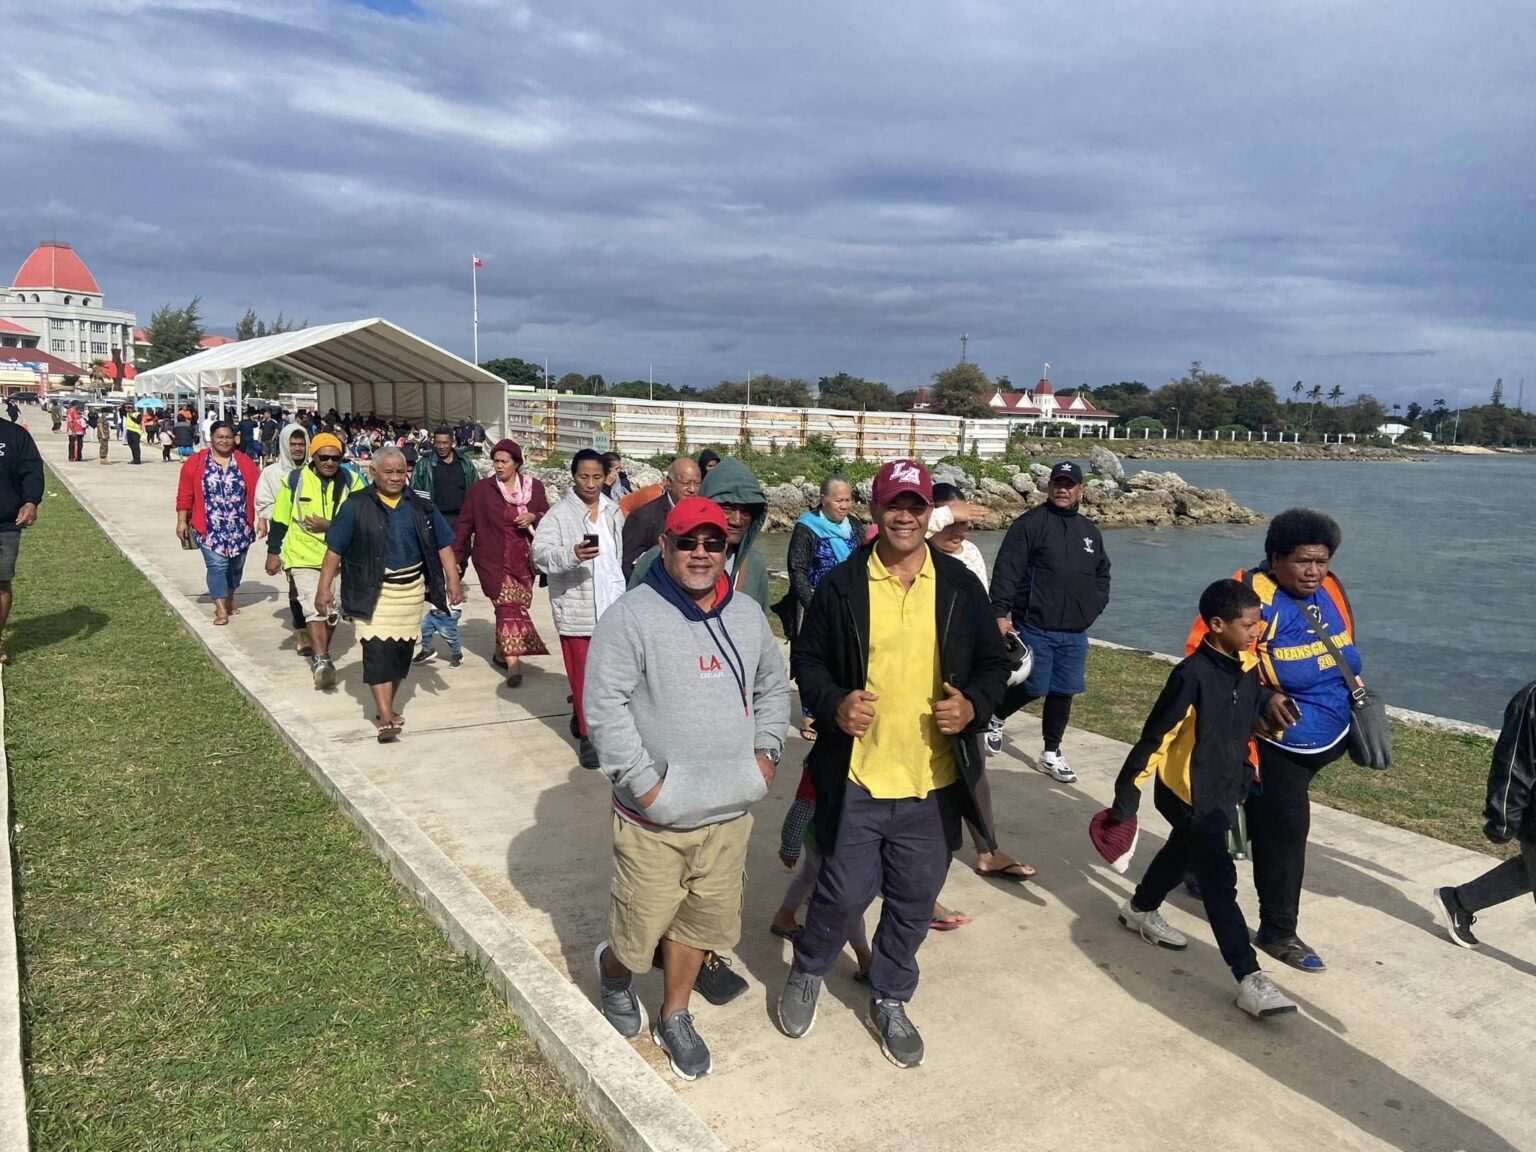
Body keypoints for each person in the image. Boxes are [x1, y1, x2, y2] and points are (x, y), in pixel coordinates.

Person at [777, 459, 1011, 1068]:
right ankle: (807, 971)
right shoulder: (843, 585)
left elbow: (993, 664)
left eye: (914, 505)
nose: (903, 516)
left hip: (933, 782)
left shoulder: (960, 586)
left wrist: (975, 705)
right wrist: (832, 704)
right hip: (858, 775)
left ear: (926, 510)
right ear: (875, 512)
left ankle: (891, 994)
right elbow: (808, 660)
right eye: (892, 505)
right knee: (842, 894)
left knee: (913, 900)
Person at [586, 496, 790, 1080]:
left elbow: (775, 690)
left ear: (727, 548)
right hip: (657, 817)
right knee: (639, 930)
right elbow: (604, 707)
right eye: (687, 542)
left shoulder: (748, 615)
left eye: (713, 543)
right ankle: (616, 972)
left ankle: (675, 1014)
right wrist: (644, 784)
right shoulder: (632, 615)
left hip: (728, 813)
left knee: (699, 927)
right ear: (665, 547)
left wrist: (766, 756)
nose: (701, 554)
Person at [1095, 579, 1302, 1018]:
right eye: (1248, 625)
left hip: (1225, 789)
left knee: (1180, 850)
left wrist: (1265, 710)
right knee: (1219, 883)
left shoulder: (1245, 668)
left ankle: (1139, 908)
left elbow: (1243, 716)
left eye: (1258, 624)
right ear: (1217, 625)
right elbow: (1157, 736)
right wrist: (1126, 795)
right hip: (1188, 794)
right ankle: (1250, 978)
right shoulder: (1190, 676)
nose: (1256, 632)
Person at [1184, 508, 1366, 974]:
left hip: (1330, 730)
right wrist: (1261, 696)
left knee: (1233, 803)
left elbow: (1343, 644)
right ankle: (1279, 930)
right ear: (1274, 557)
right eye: (1303, 561)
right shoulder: (1245, 597)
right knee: (1284, 833)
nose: (1313, 572)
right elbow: (1203, 662)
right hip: (1274, 741)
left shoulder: (1332, 589)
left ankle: (1196, 864)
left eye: (1322, 561)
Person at [926, 482, 1036, 886]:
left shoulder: (969, 554)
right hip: (920, 678)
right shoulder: (911, 555)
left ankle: (988, 850)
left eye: (965, 525)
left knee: (974, 765)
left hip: (964, 681)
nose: (958, 532)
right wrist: (947, 513)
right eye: (951, 523)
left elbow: (982, 610)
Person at [316, 446, 464, 741]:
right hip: (373, 591)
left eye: (401, 471)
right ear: (373, 473)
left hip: (409, 593)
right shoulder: (356, 505)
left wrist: (453, 580)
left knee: (400, 654)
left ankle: (388, 705)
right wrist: (324, 588)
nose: (397, 477)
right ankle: (385, 715)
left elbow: (443, 544)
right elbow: (335, 550)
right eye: (389, 472)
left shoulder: (421, 506)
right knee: (377, 651)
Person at [985, 461, 1111, 783]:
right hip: (1034, 624)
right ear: (1049, 486)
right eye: (1058, 483)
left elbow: (1102, 574)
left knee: (1063, 691)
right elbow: (1007, 570)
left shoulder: (1089, 533)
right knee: (1034, 685)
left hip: (1074, 631)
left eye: (1069, 484)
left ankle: (1050, 753)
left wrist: (1092, 608)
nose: (1063, 489)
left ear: (1080, 490)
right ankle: (996, 716)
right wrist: (999, 613)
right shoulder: (1030, 524)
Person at [532, 449, 626, 768]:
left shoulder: (614, 511)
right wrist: (572, 554)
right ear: (574, 476)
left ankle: (586, 717)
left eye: (597, 477)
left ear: (607, 477)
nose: (590, 483)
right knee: (584, 676)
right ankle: (588, 737)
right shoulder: (558, 515)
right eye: (584, 477)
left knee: (611, 676)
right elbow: (539, 555)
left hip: (613, 604)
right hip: (578, 609)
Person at [1434, 679, 1536, 950]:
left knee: (1529, 869)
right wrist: (1503, 818)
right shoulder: (1532, 699)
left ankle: (1460, 901)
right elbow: (1514, 764)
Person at [266, 433, 362, 689]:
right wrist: (273, 552)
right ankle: (322, 659)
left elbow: (365, 517)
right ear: (313, 456)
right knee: (315, 607)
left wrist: (329, 526)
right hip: (303, 555)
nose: (330, 462)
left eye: (336, 458)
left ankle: (323, 653)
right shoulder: (294, 480)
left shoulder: (353, 480)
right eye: (324, 457)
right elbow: (280, 518)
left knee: (332, 612)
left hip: (341, 556)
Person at [449, 439, 550, 683]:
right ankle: (514, 665)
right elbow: (464, 525)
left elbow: (548, 516)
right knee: (507, 606)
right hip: (492, 559)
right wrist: (455, 558)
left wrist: (533, 516)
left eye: (504, 462)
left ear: (516, 463)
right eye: (496, 461)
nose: (499, 466)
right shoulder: (481, 490)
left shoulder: (534, 487)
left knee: (515, 607)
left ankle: (500, 653)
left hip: (524, 560)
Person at [629, 458, 771, 612]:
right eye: (727, 509)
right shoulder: (657, 559)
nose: (737, 521)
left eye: (746, 512)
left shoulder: (754, 566)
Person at [781, 475, 863, 739]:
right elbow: (797, 569)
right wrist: (814, 604)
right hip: (813, 604)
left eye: (848, 499)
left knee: (843, 657)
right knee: (812, 659)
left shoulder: (855, 526)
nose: (844, 505)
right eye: (838, 500)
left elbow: (864, 562)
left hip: (848, 603)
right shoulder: (807, 528)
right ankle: (810, 714)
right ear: (823, 499)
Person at [176, 421, 260, 625]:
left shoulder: (245, 462)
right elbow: (185, 493)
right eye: (219, 437)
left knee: (235, 567)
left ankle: (230, 598)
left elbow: (259, 494)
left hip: (240, 527)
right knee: (217, 566)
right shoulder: (196, 462)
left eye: (228, 437)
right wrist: (181, 521)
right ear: (211, 438)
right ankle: (221, 608)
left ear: (235, 439)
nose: (224, 441)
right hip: (208, 527)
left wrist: (262, 520)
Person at [0, 417, 43, 664]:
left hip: (5, 522)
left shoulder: (14, 435)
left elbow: (32, 470)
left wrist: (31, 501)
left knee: (1, 581)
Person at [620, 455, 701, 578]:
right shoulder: (643, 517)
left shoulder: (703, 513)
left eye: (697, 483)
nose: (692, 489)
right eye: (686, 483)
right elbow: (629, 565)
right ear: (669, 482)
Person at [409, 424, 477, 531]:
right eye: (438, 443)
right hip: (436, 520)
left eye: (445, 443)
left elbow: (475, 491)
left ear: (452, 442)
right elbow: (415, 494)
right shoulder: (424, 465)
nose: (441, 447)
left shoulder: (465, 463)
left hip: (461, 520)